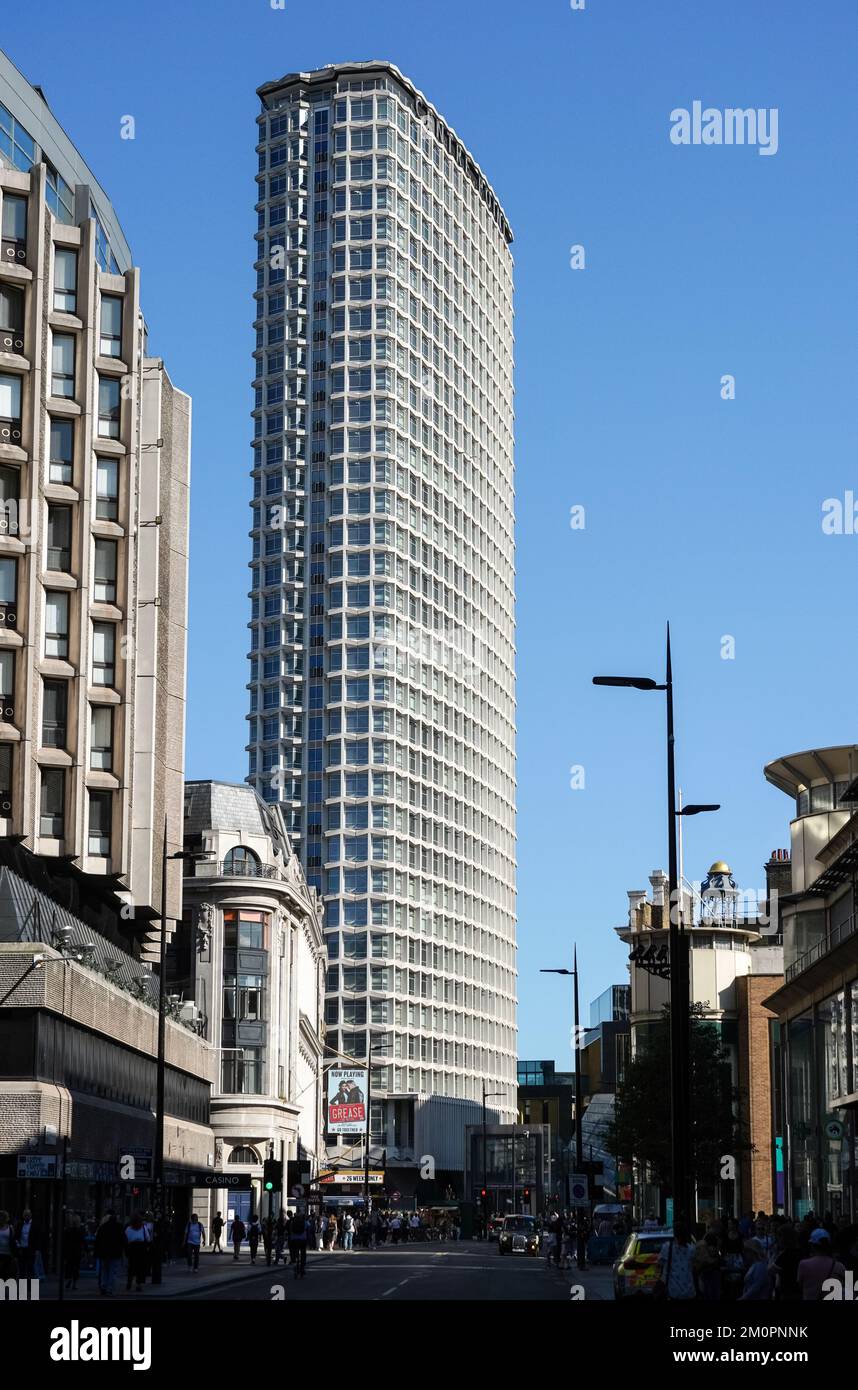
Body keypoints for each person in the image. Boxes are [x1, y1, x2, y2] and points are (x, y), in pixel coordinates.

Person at [797, 1229, 845, 1301]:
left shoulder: (803, 1264)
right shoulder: (840, 1266)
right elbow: (847, 1286)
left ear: (812, 1245)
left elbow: (800, 1285)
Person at [657, 1221, 697, 1301]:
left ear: (674, 1233)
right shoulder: (691, 1249)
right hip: (689, 1290)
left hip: (673, 1290)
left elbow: (660, 1264)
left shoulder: (667, 1248)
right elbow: (693, 1267)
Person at [94, 1211, 124, 1296]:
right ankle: (110, 1288)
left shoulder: (103, 1227)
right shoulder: (119, 1227)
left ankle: (103, 1286)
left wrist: (97, 1252)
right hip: (115, 1253)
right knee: (113, 1271)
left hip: (104, 1253)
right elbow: (123, 1240)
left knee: (104, 1270)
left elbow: (98, 1241)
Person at [123, 1213, 150, 1293]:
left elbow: (126, 1239)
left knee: (131, 1267)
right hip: (141, 1248)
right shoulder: (143, 1228)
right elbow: (147, 1238)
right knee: (140, 1268)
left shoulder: (128, 1229)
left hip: (132, 1248)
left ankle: (129, 1282)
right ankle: (138, 1284)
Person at [14, 1208, 44, 1280]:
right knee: (22, 1270)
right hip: (22, 1249)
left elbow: (38, 1238)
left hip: (31, 1249)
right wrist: (18, 1245)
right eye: (25, 1215)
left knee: (30, 1269)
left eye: (28, 1215)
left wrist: (37, 1249)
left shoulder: (35, 1225)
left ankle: (29, 1287)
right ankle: (22, 1288)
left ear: (30, 1215)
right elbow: (16, 1236)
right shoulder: (20, 1224)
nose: (26, 1216)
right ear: (23, 1216)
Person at [693, 1231, 722, 1301]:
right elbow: (710, 1261)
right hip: (708, 1274)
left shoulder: (699, 1245)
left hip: (704, 1274)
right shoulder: (706, 1248)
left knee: (706, 1293)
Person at [63, 1213, 85, 1290]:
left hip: (69, 1251)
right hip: (77, 1251)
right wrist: (86, 1250)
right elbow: (83, 1241)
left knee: (69, 1266)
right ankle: (74, 1283)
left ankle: (69, 1279)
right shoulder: (80, 1231)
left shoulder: (67, 1230)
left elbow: (64, 1242)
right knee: (76, 1267)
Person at [288, 1208, 308, 1278]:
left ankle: (295, 1265)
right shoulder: (304, 1222)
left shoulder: (292, 1222)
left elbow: (290, 1231)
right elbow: (308, 1227)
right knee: (303, 1254)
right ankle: (302, 1268)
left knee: (295, 1254)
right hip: (302, 1240)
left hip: (294, 1240)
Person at [0, 1211, 17, 1279]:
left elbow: (13, 1240)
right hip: (0, 1252)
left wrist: (15, 1254)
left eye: (2, 1217)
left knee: (6, 1271)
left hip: (8, 1253)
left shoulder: (10, 1228)